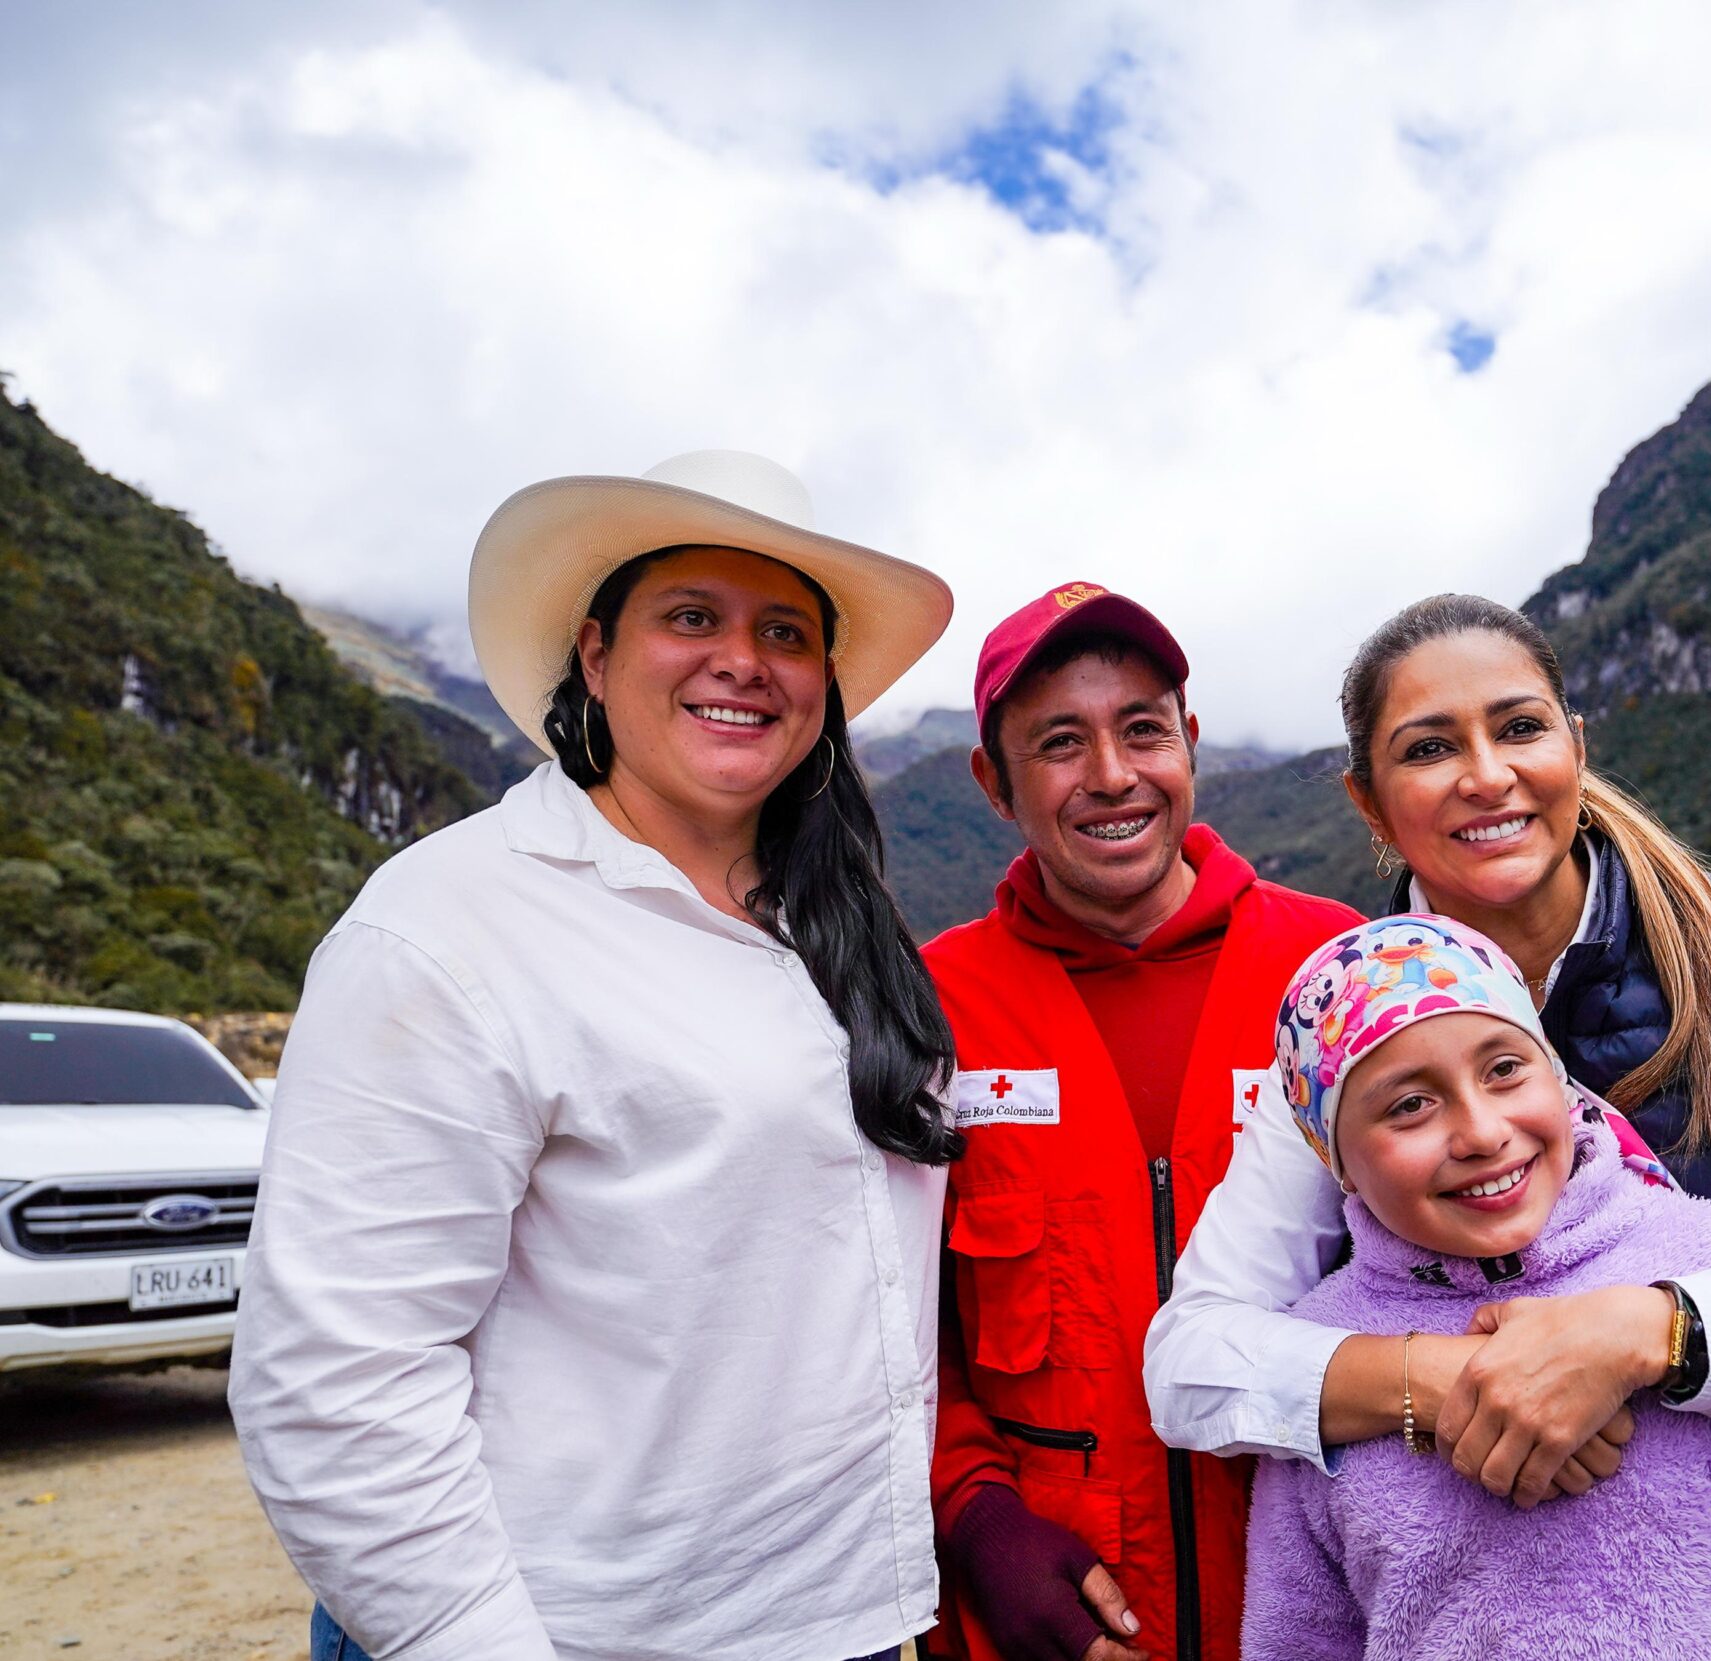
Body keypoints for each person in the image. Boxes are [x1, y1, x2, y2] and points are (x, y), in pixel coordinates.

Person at [232, 452, 961, 1661]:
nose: (742, 657)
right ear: (595, 653)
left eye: (784, 630)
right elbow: (335, 1377)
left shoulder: (839, 928)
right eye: (691, 616)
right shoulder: (451, 922)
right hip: (575, 1632)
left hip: (834, 1617)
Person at [1148, 594, 1711, 1524]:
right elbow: (1193, 1363)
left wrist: (1649, 1334)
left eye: (1519, 727)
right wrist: (1454, 1374)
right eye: (1429, 748)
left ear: (1574, 748)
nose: (1487, 774)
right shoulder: (1345, 1020)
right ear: (1368, 800)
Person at [1241, 915, 1711, 1659]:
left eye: (1505, 1068)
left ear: (1557, 1076)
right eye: (1409, 1104)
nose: (1481, 1131)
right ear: (1336, 1160)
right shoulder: (1324, 1362)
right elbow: (1298, 1638)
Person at [922, 584, 1363, 1661]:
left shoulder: (1338, 967)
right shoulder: (925, 1003)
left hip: (1317, 1590)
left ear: (1190, 743)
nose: (1112, 777)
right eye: (1060, 743)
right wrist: (975, 1522)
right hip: (1057, 1611)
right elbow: (882, 1326)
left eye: (1142, 730)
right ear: (994, 782)